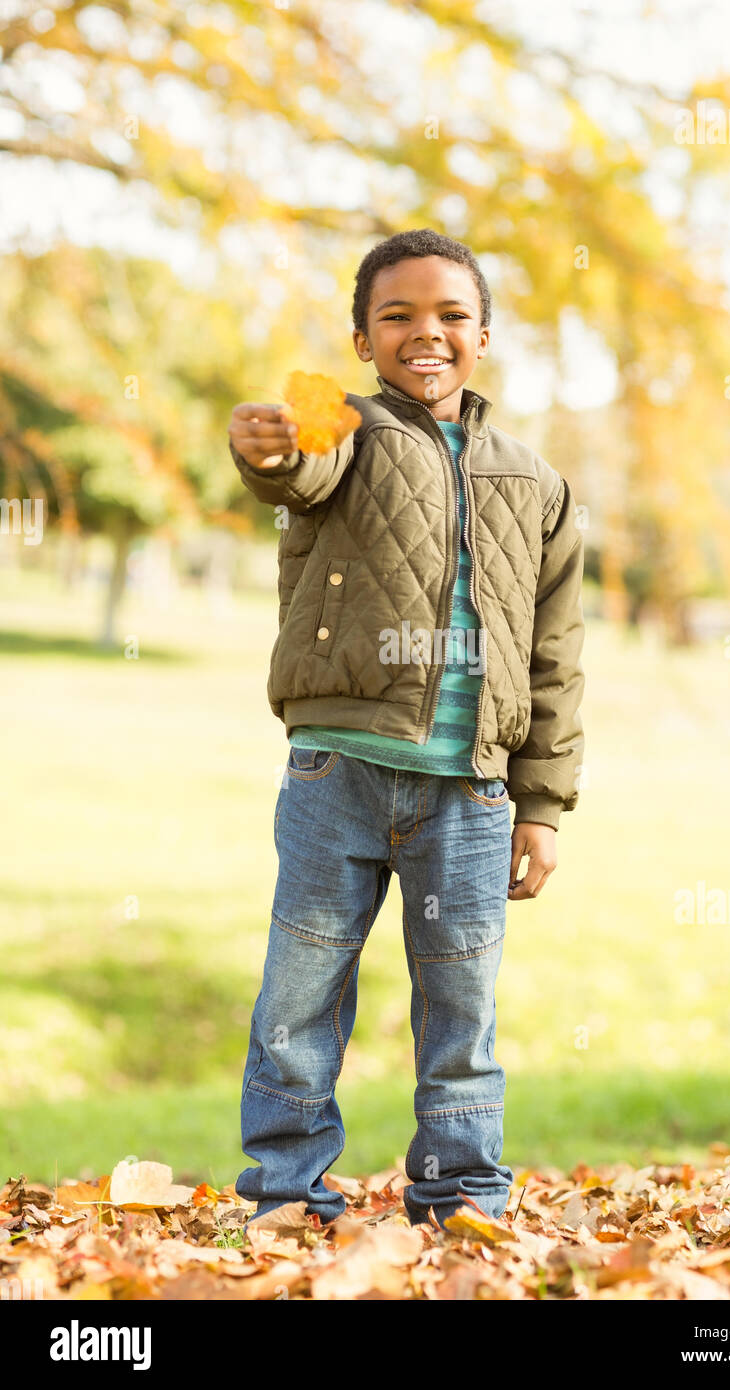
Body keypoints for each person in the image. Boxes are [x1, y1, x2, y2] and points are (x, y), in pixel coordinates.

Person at [227, 227, 586, 1229]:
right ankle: (288, 1190)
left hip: (469, 789)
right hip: (335, 770)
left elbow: (555, 658)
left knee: (461, 1006)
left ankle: (459, 1190)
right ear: (359, 339)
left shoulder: (535, 481)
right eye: (396, 316)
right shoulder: (345, 433)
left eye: (448, 315)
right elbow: (289, 471)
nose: (423, 333)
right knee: (299, 994)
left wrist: (541, 805)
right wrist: (266, 447)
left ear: (484, 334)